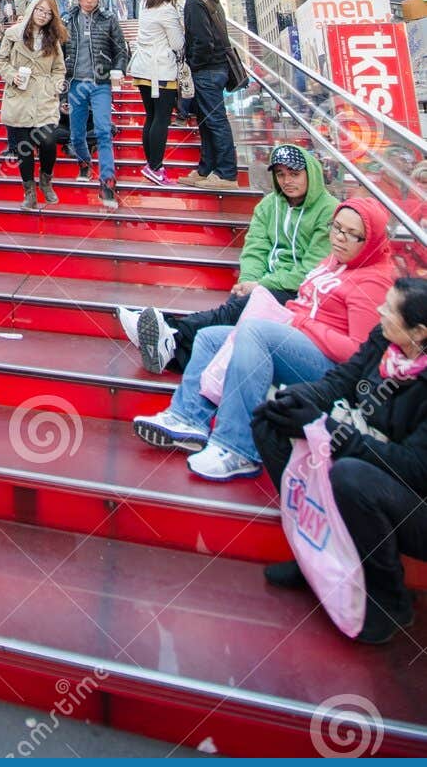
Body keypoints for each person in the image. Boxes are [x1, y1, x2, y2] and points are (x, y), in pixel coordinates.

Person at [133, 198, 397, 480]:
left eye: (353, 234)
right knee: (210, 338)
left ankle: (237, 448)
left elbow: (358, 352)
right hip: (296, 337)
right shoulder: (334, 260)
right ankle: (188, 418)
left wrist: (301, 322)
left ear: (371, 240)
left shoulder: (374, 281)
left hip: (328, 366)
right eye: (336, 228)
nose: (339, 238)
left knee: (255, 332)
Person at [252, 273, 427, 645]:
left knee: (351, 476)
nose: (379, 311)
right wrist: (297, 399)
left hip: (415, 501)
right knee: (270, 422)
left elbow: (414, 468)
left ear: (419, 332)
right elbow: (341, 381)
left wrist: (327, 428)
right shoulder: (385, 340)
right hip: (368, 446)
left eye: (389, 309)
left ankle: (390, 599)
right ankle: (317, 554)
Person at [119, 144, 338, 373]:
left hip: (299, 291)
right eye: (280, 174)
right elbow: (255, 249)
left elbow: (311, 269)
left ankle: (172, 332)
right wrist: (249, 281)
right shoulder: (268, 205)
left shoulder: (328, 210)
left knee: (234, 312)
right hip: (263, 283)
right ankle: (172, 352)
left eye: (294, 174)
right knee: (237, 312)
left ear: (310, 173)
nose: (287, 181)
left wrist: (260, 286)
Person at [172, 0, 239, 190]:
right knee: (207, 121)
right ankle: (206, 169)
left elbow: (202, 40)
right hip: (217, 68)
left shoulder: (194, 1)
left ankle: (227, 174)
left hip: (207, 70)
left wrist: (193, 64)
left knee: (215, 121)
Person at [0, 0, 68, 211]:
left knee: (48, 140)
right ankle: (29, 192)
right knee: (24, 148)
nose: (43, 15)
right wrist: (12, 76)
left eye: (48, 13)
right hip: (19, 95)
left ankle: (46, 179)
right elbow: (0, 61)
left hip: (44, 96)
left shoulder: (52, 38)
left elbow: (59, 68)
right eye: (40, 10)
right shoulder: (13, 34)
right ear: (32, 9)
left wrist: (54, 86)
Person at [63, 0, 128, 210]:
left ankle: (107, 181)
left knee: (103, 130)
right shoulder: (68, 19)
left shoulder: (109, 18)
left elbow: (121, 49)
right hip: (75, 82)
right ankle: (84, 163)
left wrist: (119, 68)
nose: (90, 0)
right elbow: (59, 51)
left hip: (101, 82)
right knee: (76, 135)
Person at [127, 0, 184, 185]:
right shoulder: (167, 10)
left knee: (151, 116)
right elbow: (177, 43)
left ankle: (151, 164)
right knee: (161, 118)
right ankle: (156, 167)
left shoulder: (145, 4)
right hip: (160, 69)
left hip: (143, 67)